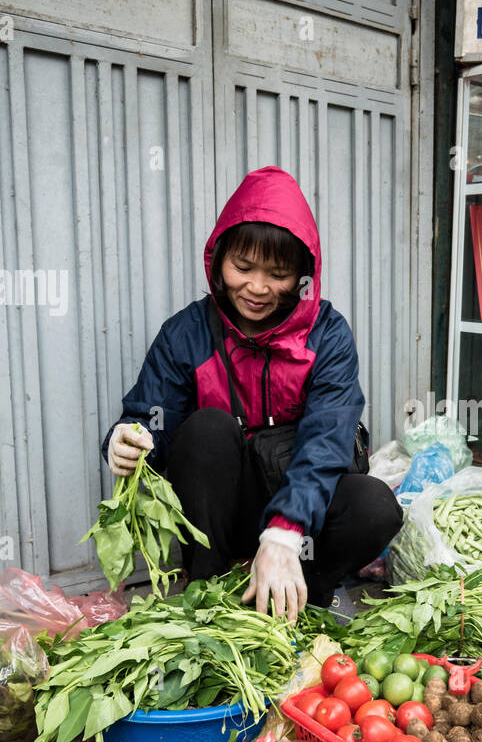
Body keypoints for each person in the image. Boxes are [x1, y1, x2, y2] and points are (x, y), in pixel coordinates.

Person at [101, 166, 403, 617]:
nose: (258, 288)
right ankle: (209, 594)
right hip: (224, 516)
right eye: (242, 267)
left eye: (278, 274)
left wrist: (284, 533)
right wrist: (128, 438)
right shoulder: (187, 333)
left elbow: (327, 441)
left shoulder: (326, 334)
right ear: (219, 261)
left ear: (302, 274)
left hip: (300, 516)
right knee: (206, 429)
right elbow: (151, 414)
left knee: (375, 505)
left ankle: (302, 590)